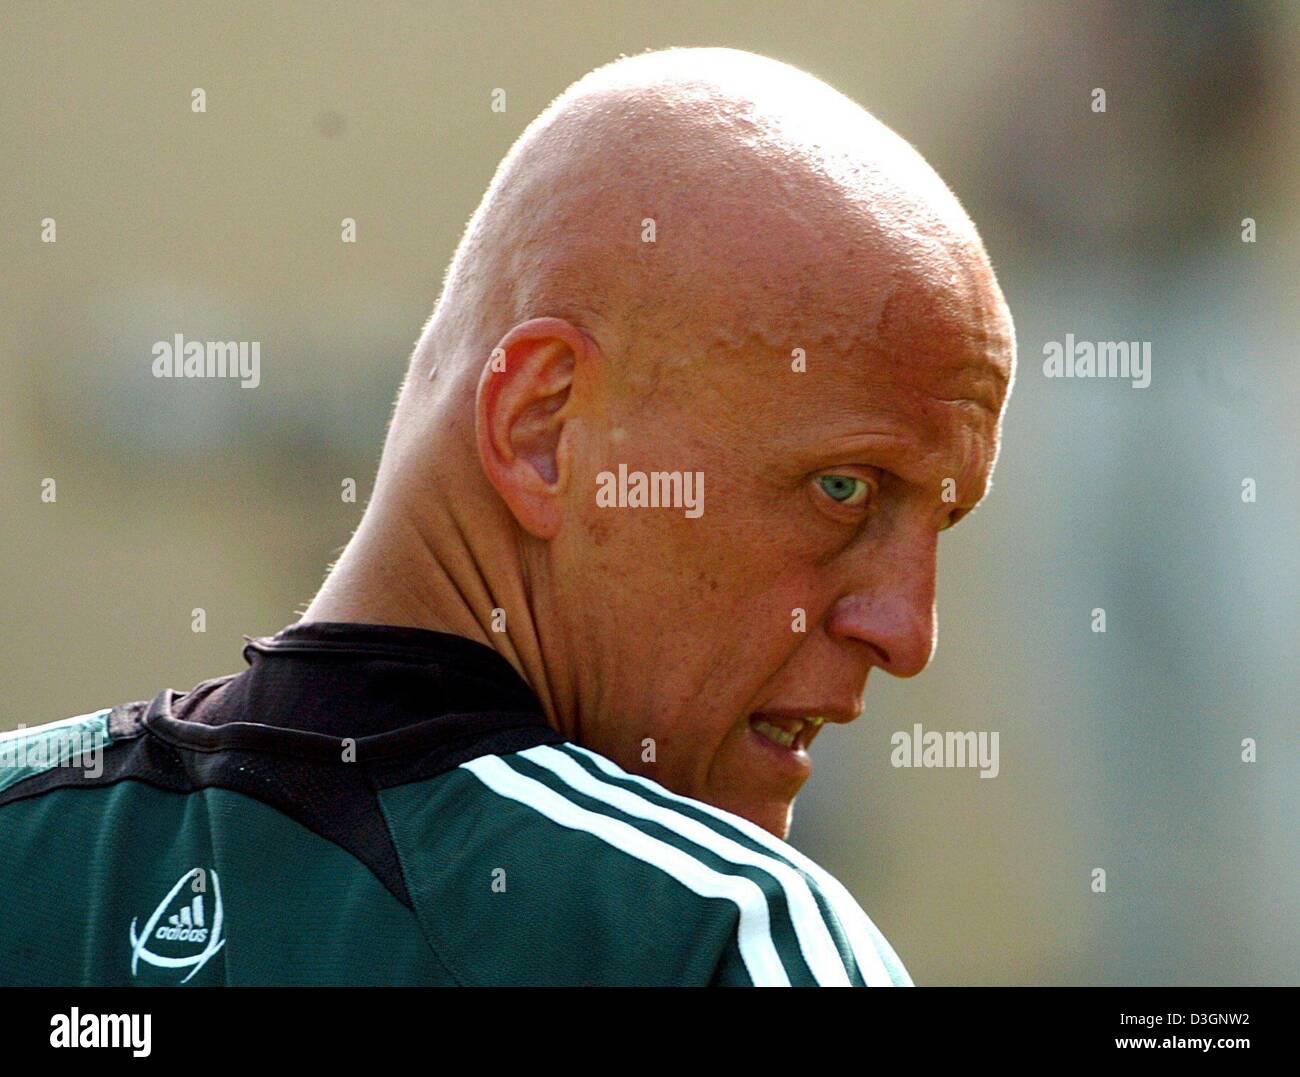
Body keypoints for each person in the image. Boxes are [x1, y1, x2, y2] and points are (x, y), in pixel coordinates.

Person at [0, 46, 1013, 986]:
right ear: (542, 429)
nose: (906, 632)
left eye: (943, 522)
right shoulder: (715, 937)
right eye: (845, 488)